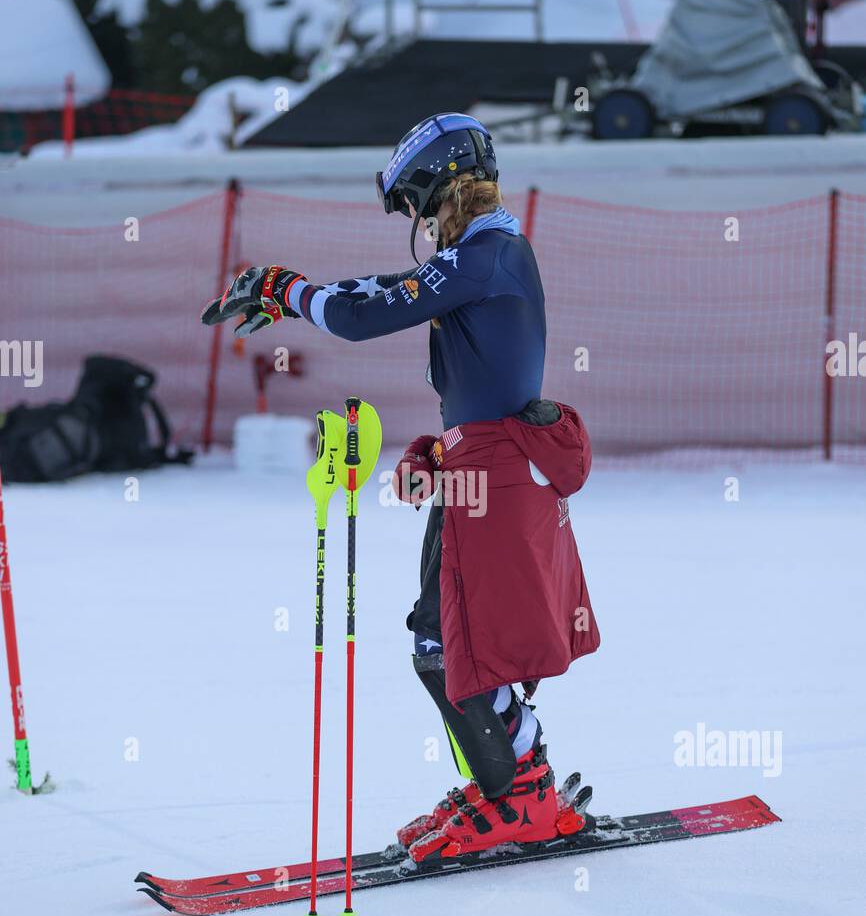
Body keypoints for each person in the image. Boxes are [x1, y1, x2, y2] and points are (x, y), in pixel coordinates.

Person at [202, 113, 600, 862]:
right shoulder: (481, 259)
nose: (421, 225)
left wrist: (288, 292)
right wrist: (436, 448)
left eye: (421, 207)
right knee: (440, 640)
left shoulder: (488, 253)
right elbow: (394, 298)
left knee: (452, 648)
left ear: (448, 190)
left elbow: (362, 315)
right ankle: (516, 786)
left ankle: (522, 798)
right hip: (481, 471)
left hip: (500, 481)